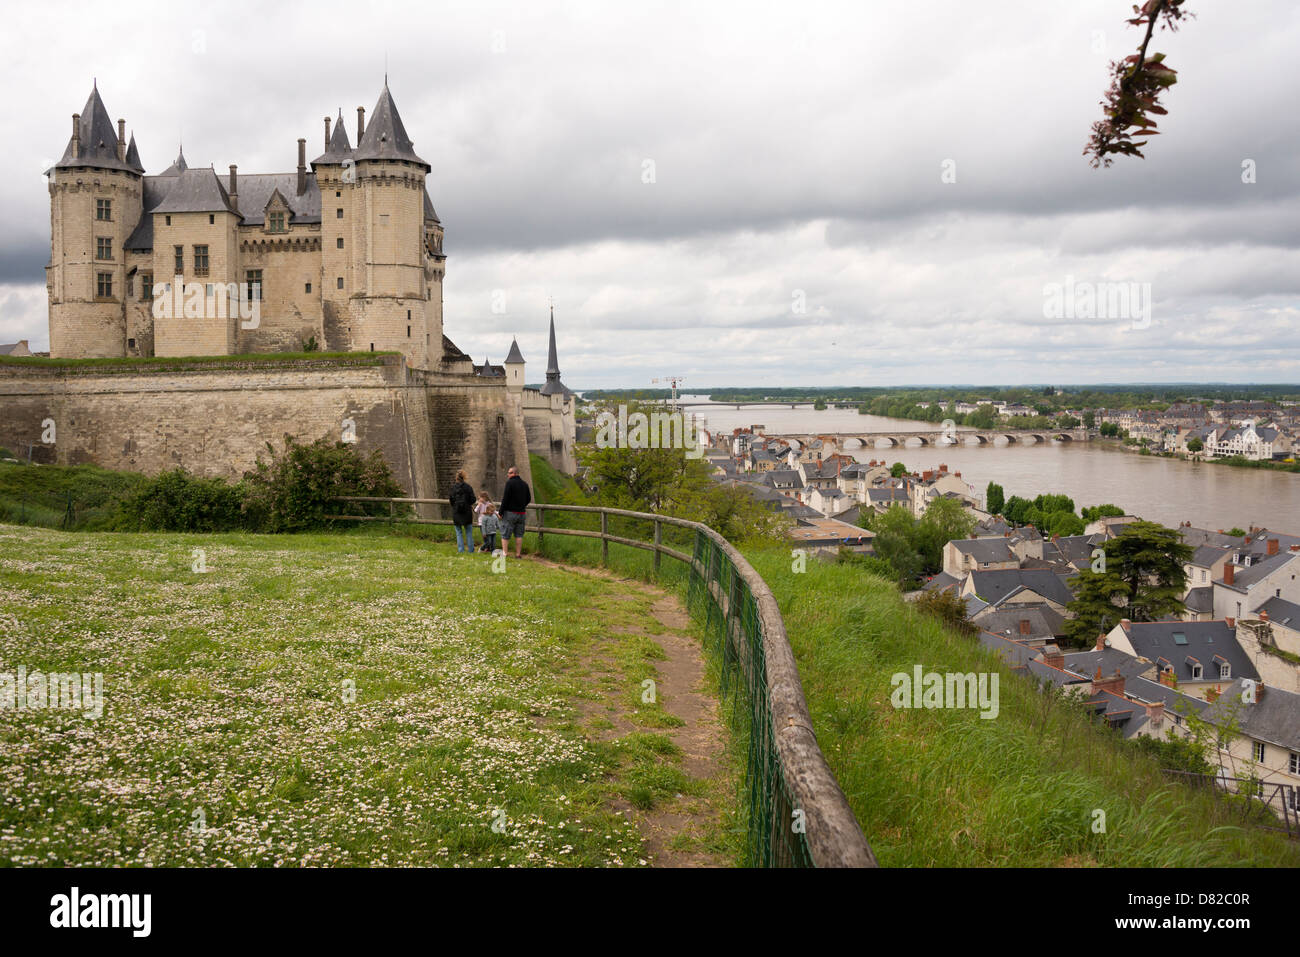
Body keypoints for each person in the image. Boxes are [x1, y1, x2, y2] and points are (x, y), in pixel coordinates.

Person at [499, 465, 532, 559]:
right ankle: (518, 554)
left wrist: (501, 512)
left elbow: (505, 499)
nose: (507, 474)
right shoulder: (525, 484)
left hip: (510, 513)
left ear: (514, 473)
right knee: (519, 534)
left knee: (505, 533)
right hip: (521, 513)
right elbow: (528, 498)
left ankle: (505, 553)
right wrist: (522, 506)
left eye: (509, 473)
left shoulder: (510, 483)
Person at [448, 469, 476, 554]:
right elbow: (473, 499)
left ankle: (461, 550)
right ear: (464, 477)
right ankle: (471, 550)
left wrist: (455, 506)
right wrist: (468, 504)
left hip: (457, 512)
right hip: (467, 512)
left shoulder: (453, 488)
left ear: (456, 478)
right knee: (468, 532)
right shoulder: (468, 487)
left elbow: (451, 500)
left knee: (458, 532)